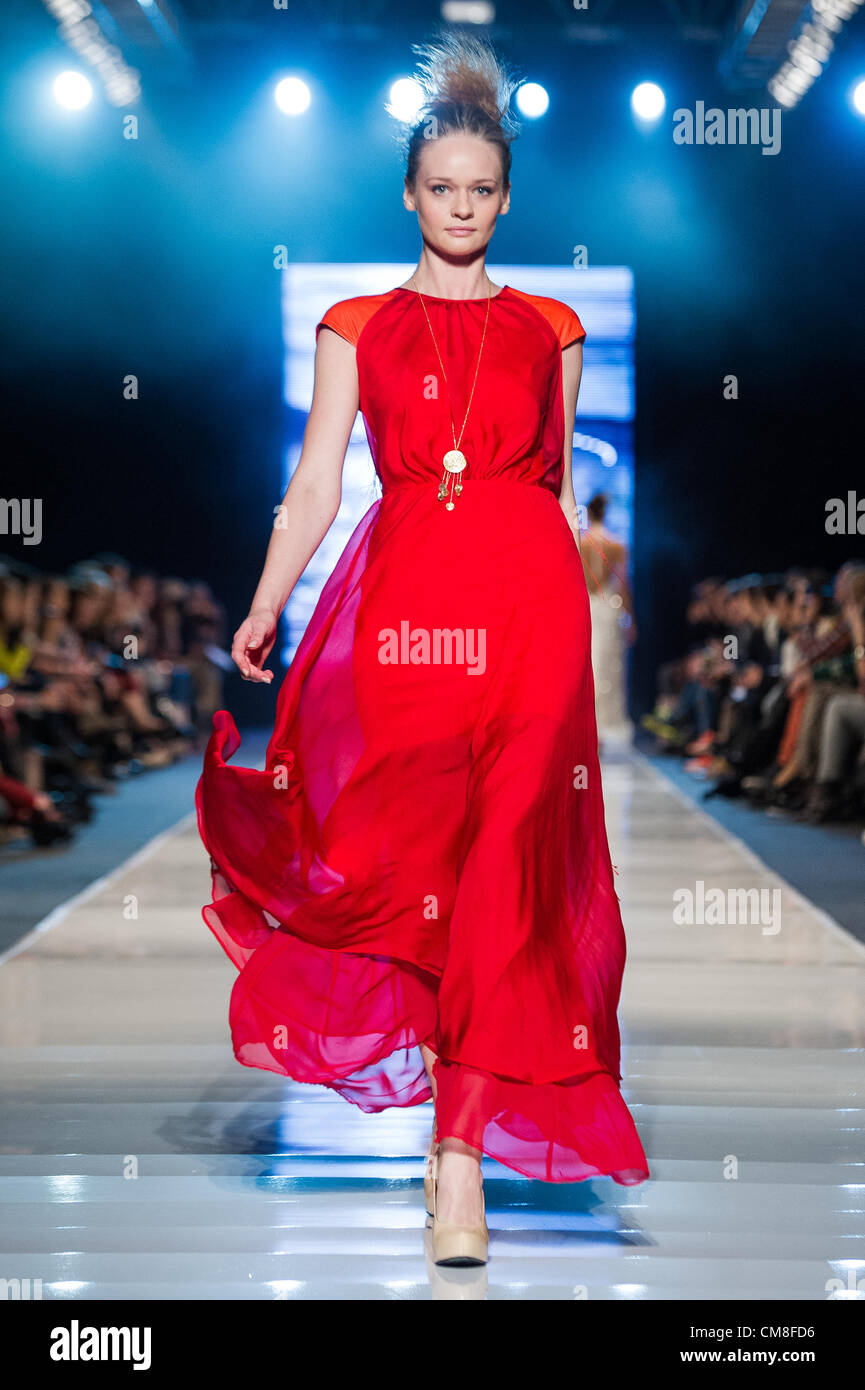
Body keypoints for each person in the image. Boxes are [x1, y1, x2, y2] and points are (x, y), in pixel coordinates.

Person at [195, 32, 649, 1267]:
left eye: (481, 189)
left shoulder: (553, 326)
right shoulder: (353, 325)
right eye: (440, 187)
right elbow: (314, 483)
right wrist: (266, 600)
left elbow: (551, 493)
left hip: (530, 611)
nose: (460, 207)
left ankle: (458, 1162)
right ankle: (450, 1131)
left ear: (506, 199)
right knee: (414, 866)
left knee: (504, 866)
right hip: (407, 616)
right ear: (408, 193)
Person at [580, 492, 635, 739]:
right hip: (607, 607)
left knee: (589, 663)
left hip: (587, 607)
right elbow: (623, 584)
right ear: (605, 513)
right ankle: (603, 723)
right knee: (607, 665)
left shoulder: (580, 543)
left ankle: (586, 720)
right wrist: (631, 618)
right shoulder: (616, 544)